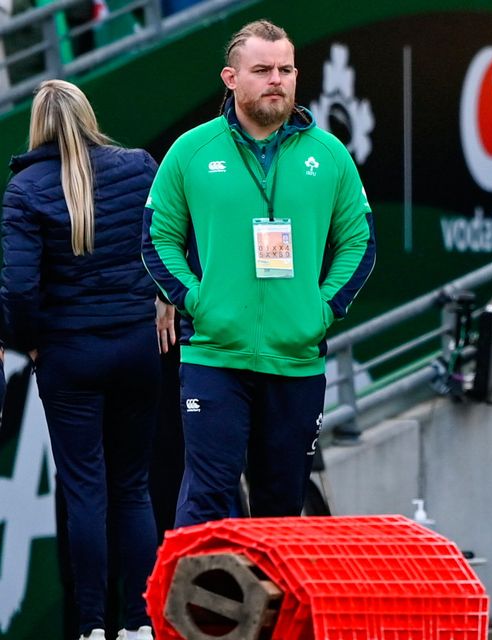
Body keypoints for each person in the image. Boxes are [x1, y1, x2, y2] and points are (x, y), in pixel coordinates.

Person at [142, 20, 375, 527]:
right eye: (263, 69)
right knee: (206, 501)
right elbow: (157, 238)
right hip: (215, 357)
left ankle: (270, 611)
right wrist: (195, 300)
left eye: (286, 69)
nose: (277, 79)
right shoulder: (192, 151)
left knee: (281, 511)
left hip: (296, 361)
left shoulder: (330, 155)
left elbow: (359, 242)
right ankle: (193, 609)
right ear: (230, 78)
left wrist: (323, 308)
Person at [1, 79, 163, 640]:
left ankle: (93, 628)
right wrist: (162, 306)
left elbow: (18, 290)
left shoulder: (24, 189)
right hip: (136, 348)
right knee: (133, 489)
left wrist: (29, 341)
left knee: (85, 493)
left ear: (38, 126)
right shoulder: (139, 166)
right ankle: (140, 624)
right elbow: (167, 247)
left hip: (69, 357)